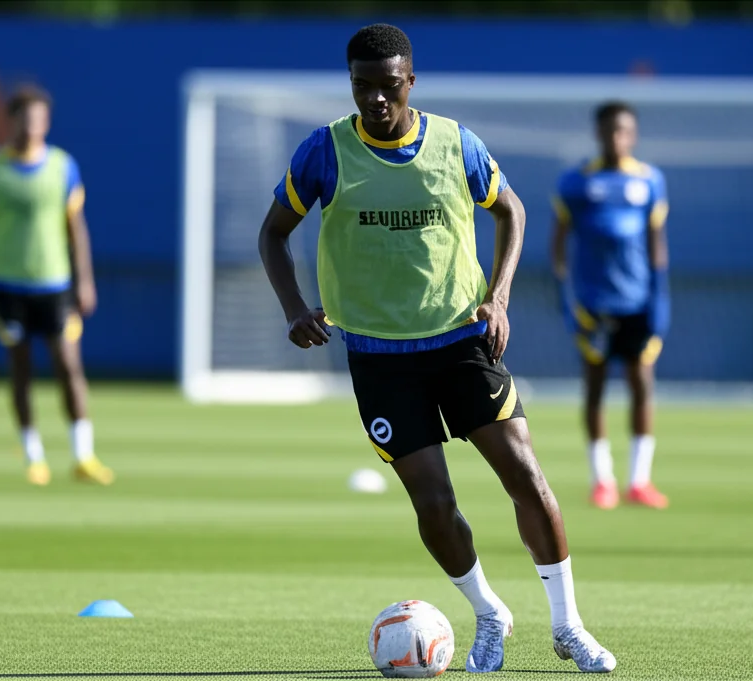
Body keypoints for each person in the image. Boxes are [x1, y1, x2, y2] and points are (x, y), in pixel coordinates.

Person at [259, 23, 615, 674]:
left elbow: (510, 210)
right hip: (378, 357)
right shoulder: (326, 153)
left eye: (388, 87)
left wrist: (499, 298)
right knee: (434, 502)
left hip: (460, 341)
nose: (375, 101)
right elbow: (273, 233)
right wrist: (293, 309)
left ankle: (568, 625)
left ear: (411, 82)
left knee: (526, 477)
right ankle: (487, 612)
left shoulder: (456, 144)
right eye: (362, 88)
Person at [0, 85, 113, 487]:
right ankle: (34, 455)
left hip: (54, 284)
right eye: (26, 118)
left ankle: (83, 454)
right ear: (11, 120)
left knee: (68, 364)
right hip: (6, 284)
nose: (33, 126)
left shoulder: (63, 167)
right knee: (20, 367)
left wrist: (85, 279)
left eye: (40, 119)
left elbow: (76, 228)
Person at [550, 101, 671, 511]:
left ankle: (640, 480)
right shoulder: (577, 183)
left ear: (633, 134)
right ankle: (602, 480)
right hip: (594, 305)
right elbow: (559, 245)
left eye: (623, 131)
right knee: (596, 389)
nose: (616, 138)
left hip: (637, 303)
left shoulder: (651, 181)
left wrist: (660, 296)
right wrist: (567, 296)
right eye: (609, 131)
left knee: (641, 385)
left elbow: (657, 245)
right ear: (598, 133)